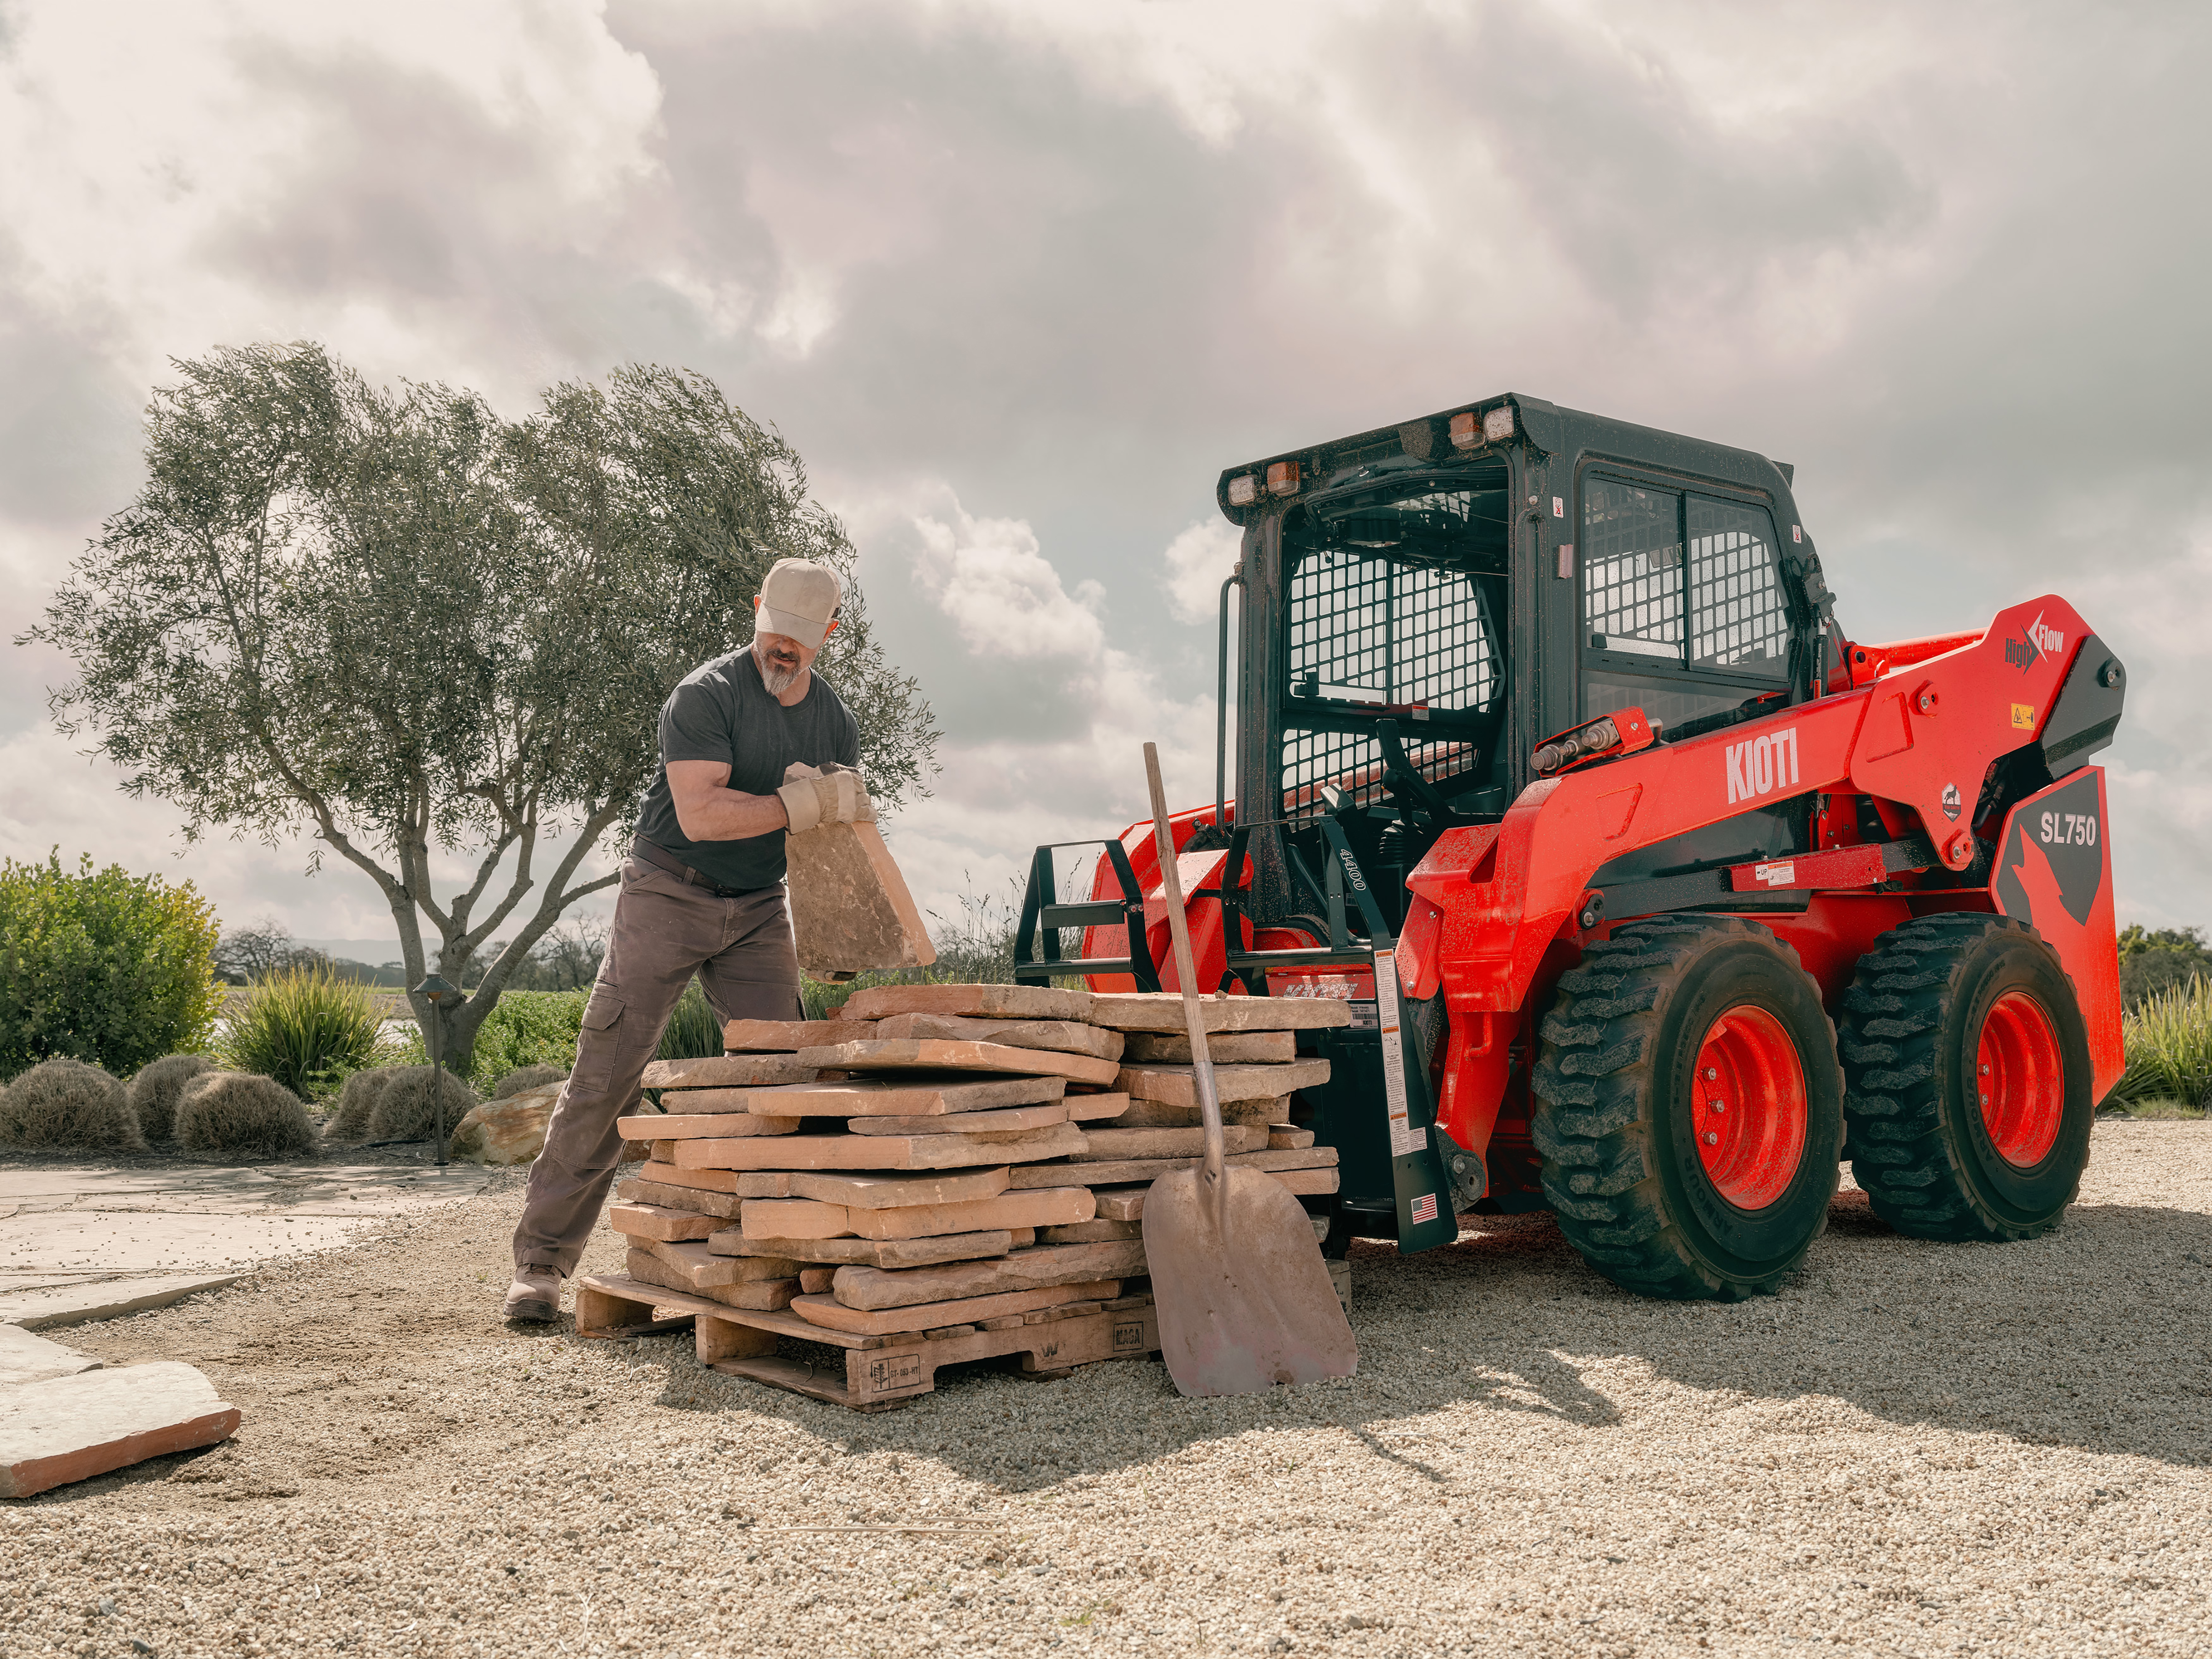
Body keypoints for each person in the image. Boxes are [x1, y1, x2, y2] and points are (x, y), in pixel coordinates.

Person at [502, 556, 872, 1322]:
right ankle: (540, 1265)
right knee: (609, 1073)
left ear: (829, 635)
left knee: (787, 1076)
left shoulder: (835, 722)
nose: (783, 648)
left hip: (759, 907)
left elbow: (831, 838)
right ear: (757, 610)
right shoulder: (706, 695)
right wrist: (801, 802)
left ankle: (792, 1257)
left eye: (800, 639)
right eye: (775, 631)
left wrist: (840, 931)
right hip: (668, 890)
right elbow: (702, 816)